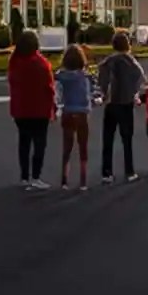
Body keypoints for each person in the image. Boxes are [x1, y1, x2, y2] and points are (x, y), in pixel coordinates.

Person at [7, 29, 55, 190]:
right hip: (39, 110)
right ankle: (36, 177)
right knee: (39, 144)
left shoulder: (14, 62)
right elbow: (49, 88)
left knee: (24, 143)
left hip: (20, 110)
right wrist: (53, 107)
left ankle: (24, 177)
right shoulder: (41, 64)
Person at [97, 31, 146, 184]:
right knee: (127, 139)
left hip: (111, 104)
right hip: (125, 103)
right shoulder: (131, 62)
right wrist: (134, 92)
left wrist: (104, 92)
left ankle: (107, 172)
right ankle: (129, 171)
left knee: (108, 139)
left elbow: (101, 78)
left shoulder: (108, 62)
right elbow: (140, 77)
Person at [55, 44, 93, 191]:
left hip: (68, 112)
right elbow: (93, 93)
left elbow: (57, 93)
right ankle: (83, 181)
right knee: (83, 147)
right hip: (83, 112)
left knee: (67, 147)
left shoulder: (61, 76)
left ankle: (64, 180)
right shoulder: (86, 76)